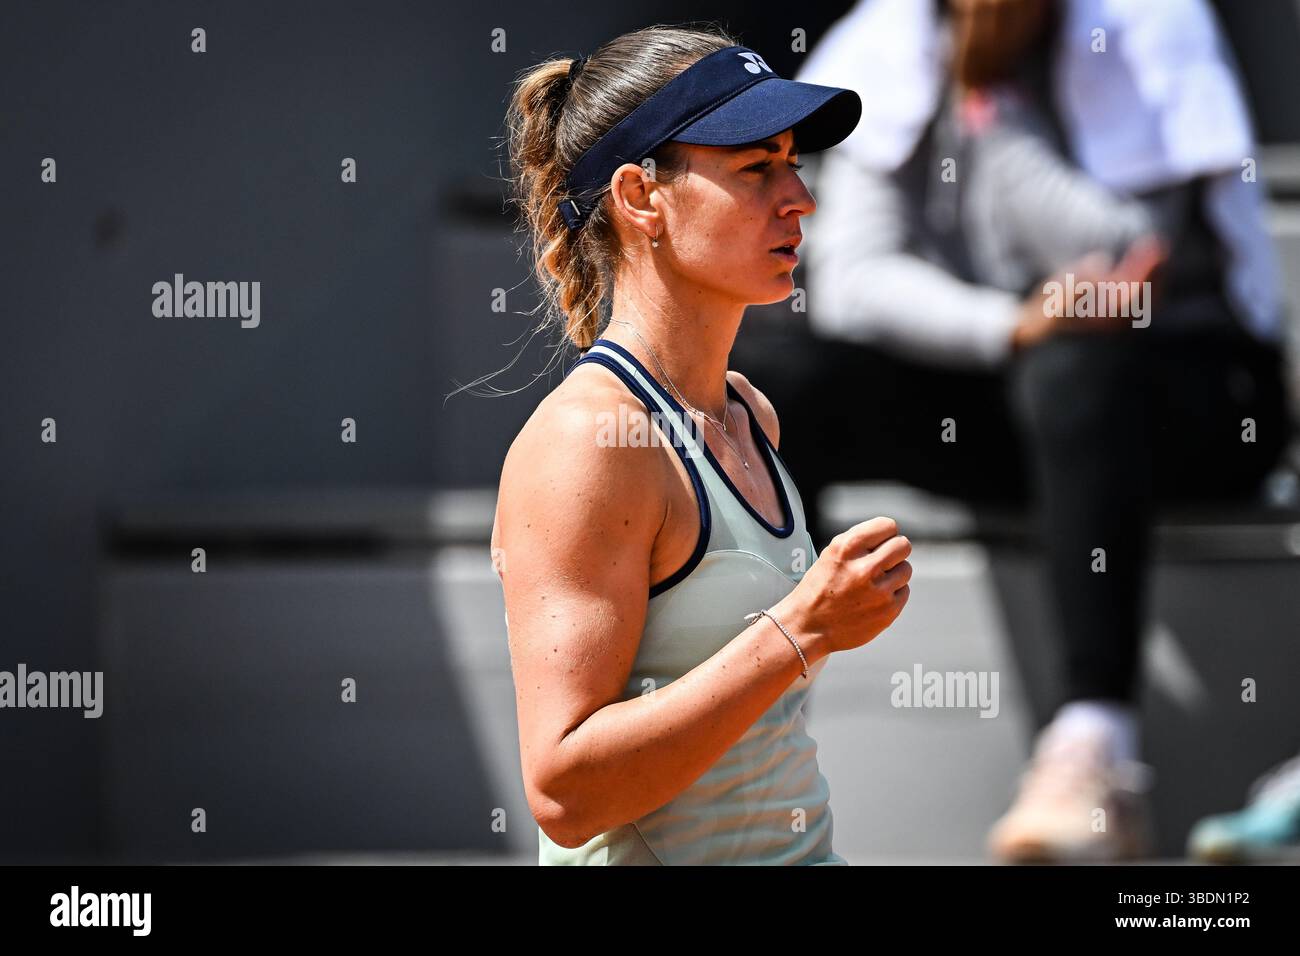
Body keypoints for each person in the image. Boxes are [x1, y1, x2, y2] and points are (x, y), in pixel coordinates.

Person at [736, 0, 1294, 862]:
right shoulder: (888, 44)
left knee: (1074, 370)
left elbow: (1128, 259)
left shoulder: (1148, 28)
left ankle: (1094, 750)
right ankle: (743, 735)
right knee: (780, 381)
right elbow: (851, 281)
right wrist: (1010, 324)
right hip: (1007, 392)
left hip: (1191, 399)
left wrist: (990, 115)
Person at [490, 25, 912, 865]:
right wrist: (803, 629)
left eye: (793, 162)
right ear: (640, 197)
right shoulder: (588, 445)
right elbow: (565, 793)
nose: (800, 197)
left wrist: (805, 631)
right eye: (756, 169)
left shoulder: (751, 415)